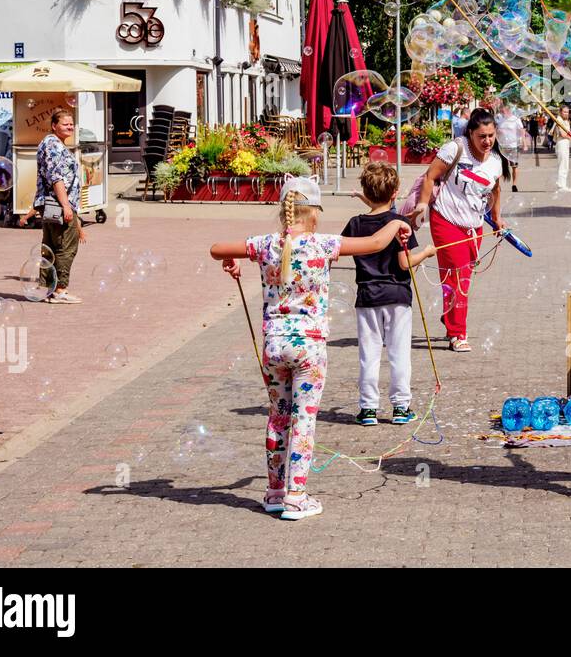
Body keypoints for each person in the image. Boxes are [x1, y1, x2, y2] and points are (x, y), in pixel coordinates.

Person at [210, 177, 410, 519]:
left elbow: (216, 248)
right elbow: (376, 243)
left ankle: (275, 492)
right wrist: (397, 221)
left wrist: (233, 259)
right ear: (314, 214)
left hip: (274, 346)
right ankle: (297, 497)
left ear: (283, 211)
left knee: (278, 418)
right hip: (309, 349)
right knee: (304, 419)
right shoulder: (322, 244)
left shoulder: (265, 244)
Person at [344, 161, 436, 427]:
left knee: (369, 355)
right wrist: (427, 252)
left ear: (365, 191)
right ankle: (400, 407)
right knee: (399, 353)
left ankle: (368, 409)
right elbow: (405, 263)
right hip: (396, 296)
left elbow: (355, 238)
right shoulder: (398, 223)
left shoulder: (355, 224)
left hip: (368, 296)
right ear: (395, 193)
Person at [415, 107, 505, 353]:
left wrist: (497, 218)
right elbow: (430, 176)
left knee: (456, 277)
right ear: (471, 133)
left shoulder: (496, 161)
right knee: (458, 277)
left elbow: (495, 190)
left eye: (491, 136)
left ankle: (449, 317)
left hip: (474, 226)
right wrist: (422, 205)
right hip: (446, 219)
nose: (487, 141)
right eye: (482, 136)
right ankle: (458, 334)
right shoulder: (455, 149)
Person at [21, 108, 83, 303]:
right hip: (57, 203)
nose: (70, 126)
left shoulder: (53, 144)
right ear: (54, 126)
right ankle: (60, 291)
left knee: (51, 246)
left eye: (71, 123)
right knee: (65, 246)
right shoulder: (53, 144)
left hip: (52, 203)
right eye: (65, 124)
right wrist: (65, 205)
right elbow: (56, 177)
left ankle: (48, 288)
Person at [496, 104, 524, 193]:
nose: (503, 113)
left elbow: (522, 130)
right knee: (499, 166)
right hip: (502, 145)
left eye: (504, 111)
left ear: (508, 111)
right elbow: (495, 129)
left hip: (513, 146)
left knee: (514, 166)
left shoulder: (515, 119)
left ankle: (514, 184)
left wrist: (524, 143)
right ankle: (497, 185)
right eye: (502, 111)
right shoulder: (499, 118)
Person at [552, 104, 571, 192]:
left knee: (565, 164)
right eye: (564, 112)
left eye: (567, 112)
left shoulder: (565, 121)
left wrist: (570, 136)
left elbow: (567, 133)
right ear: (560, 112)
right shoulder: (559, 120)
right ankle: (561, 185)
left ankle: (562, 183)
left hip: (565, 143)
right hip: (561, 143)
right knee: (563, 164)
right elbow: (563, 134)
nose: (566, 113)